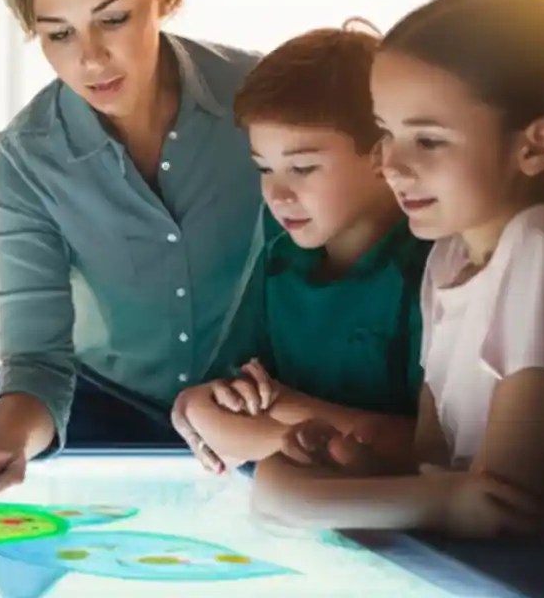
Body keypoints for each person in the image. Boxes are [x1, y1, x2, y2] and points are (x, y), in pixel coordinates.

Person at [0, 0, 269, 503]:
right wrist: (8, 439)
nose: (91, 58)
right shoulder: (27, 158)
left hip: (257, 411)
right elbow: (36, 355)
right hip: (108, 419)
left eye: (114, 18)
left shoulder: (261, 96)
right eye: (59, 34)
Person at [252, 0, 544, 547]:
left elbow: (502, 500)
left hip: (530, 572)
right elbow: (435, 463)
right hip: (463, 562)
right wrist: (353, 465)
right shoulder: (447, 257)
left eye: (427, 140)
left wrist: (391, 493)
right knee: (279, 480)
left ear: (537, 145)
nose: (390, 164)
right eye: (386, 132)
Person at [171, 24, 429, 476]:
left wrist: (288, 410)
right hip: (299, 481)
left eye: (304, 168)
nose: (278, 193)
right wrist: (203, 403)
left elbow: (425, 446)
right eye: (264, 168)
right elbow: (221, 398)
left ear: (381, 154)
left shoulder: (424, 267)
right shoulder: (281, 254)